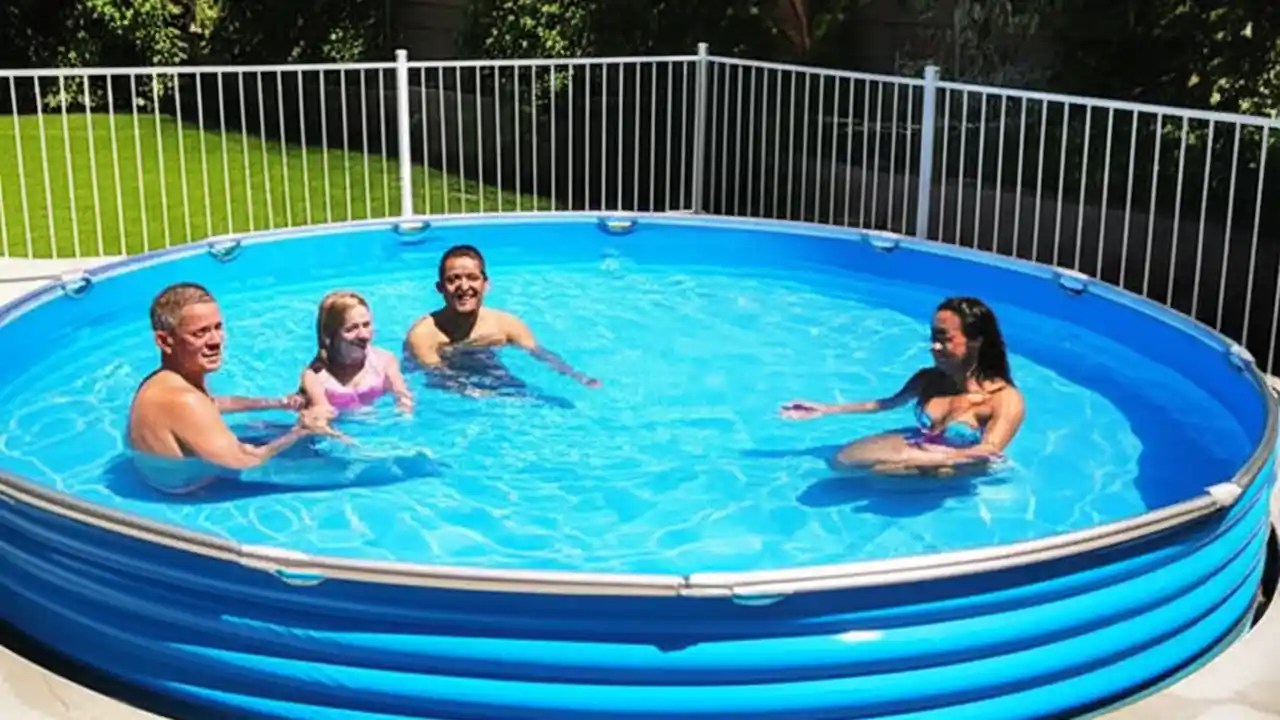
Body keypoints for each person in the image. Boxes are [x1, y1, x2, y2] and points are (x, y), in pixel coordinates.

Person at [780, 296, 1025, 476]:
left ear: (976, 341)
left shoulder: (1004, 398)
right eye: (933, 337)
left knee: (884, 474)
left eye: (944, 338)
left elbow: (990, 450)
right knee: (842, 461)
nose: (934, 346)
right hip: (925, 451)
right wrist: (825, 409)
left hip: (959, 468)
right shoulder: (929, 379)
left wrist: (933, 456)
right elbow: (882, 404)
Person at [127, 282, 328, 494]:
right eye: (200, 333)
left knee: (272, 430)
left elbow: (211, 404)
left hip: (163, 481)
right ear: (164, 341)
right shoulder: (185, 401)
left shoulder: (162, 382)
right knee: (335, 461)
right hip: (194, 494)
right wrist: (303, 430)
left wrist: (276, 403)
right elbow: (245, 460)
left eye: (218, 327)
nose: (215, 341)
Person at [403, 244, 599, 392]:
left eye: (472, 277)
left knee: (524, 391)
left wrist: (577, 376)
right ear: (440, 288)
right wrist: (481, 395)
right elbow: (440, 377)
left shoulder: (505, 324)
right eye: (453, 279)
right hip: (444, 379)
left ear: (486, 285)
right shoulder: (423, 335)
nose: (464, 287)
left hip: (484, 362)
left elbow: (539, 353)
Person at [298, 290, 414, 423]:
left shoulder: (384, 362)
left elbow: (403, 399)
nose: (364, 335)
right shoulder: (315, 377)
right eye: (351, 329)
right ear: (329, 336)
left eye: (366, 325)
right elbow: (319, 423)